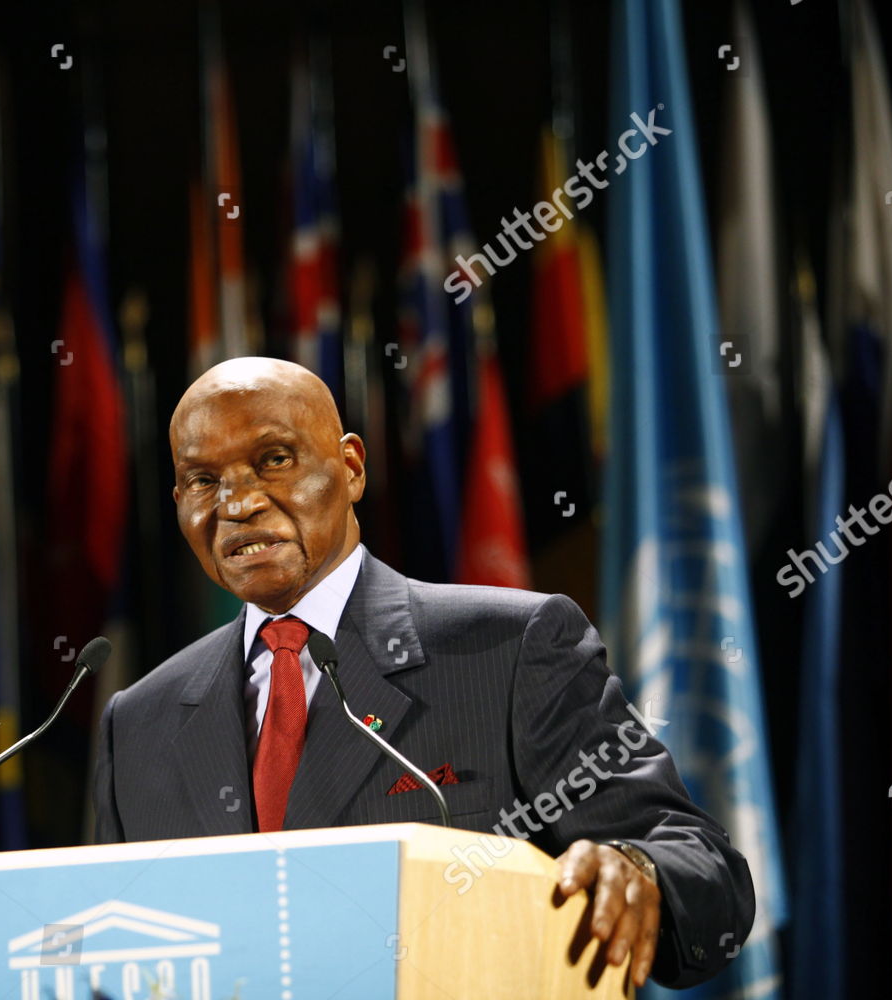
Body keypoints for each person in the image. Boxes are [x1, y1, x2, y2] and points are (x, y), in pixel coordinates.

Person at [91, 357, 754, 989]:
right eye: (205, 480)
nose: (237, 504)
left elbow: (702, 864)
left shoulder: (510, 648)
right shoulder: (139, 722)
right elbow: (108, 948)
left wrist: (639, 870)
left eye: (274, 460)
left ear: (350, 467)